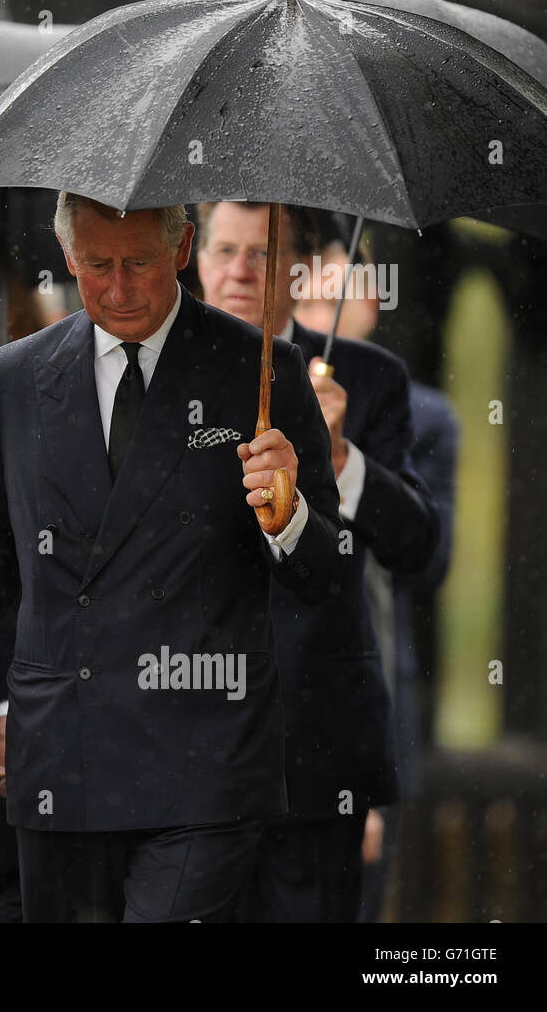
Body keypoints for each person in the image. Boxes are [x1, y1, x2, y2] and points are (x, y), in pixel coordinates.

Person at [0, 194, 347, 923]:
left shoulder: (259, 368)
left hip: (205, 762)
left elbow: (323, 574)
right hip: (62, 760)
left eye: (139, 263)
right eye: (98, 265)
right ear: (68, 257)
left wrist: (287, 514)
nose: (121, 286)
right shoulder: (12, 377)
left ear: (183, 246)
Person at [194, 200, 439, 922]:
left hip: (319, 745)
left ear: (301, 272)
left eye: (261, 253)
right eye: (224, 250)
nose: (239, 268)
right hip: (189, 742)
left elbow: (419, 544)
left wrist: (339, 458)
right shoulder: (162, 375)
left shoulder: (368, 377)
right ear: (197, 259)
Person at [292, 246, 458, 921]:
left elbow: (427, 556)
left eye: (346, 281)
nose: (327, 299)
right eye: (310, 281)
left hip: (364, 706)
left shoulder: (420, 412)